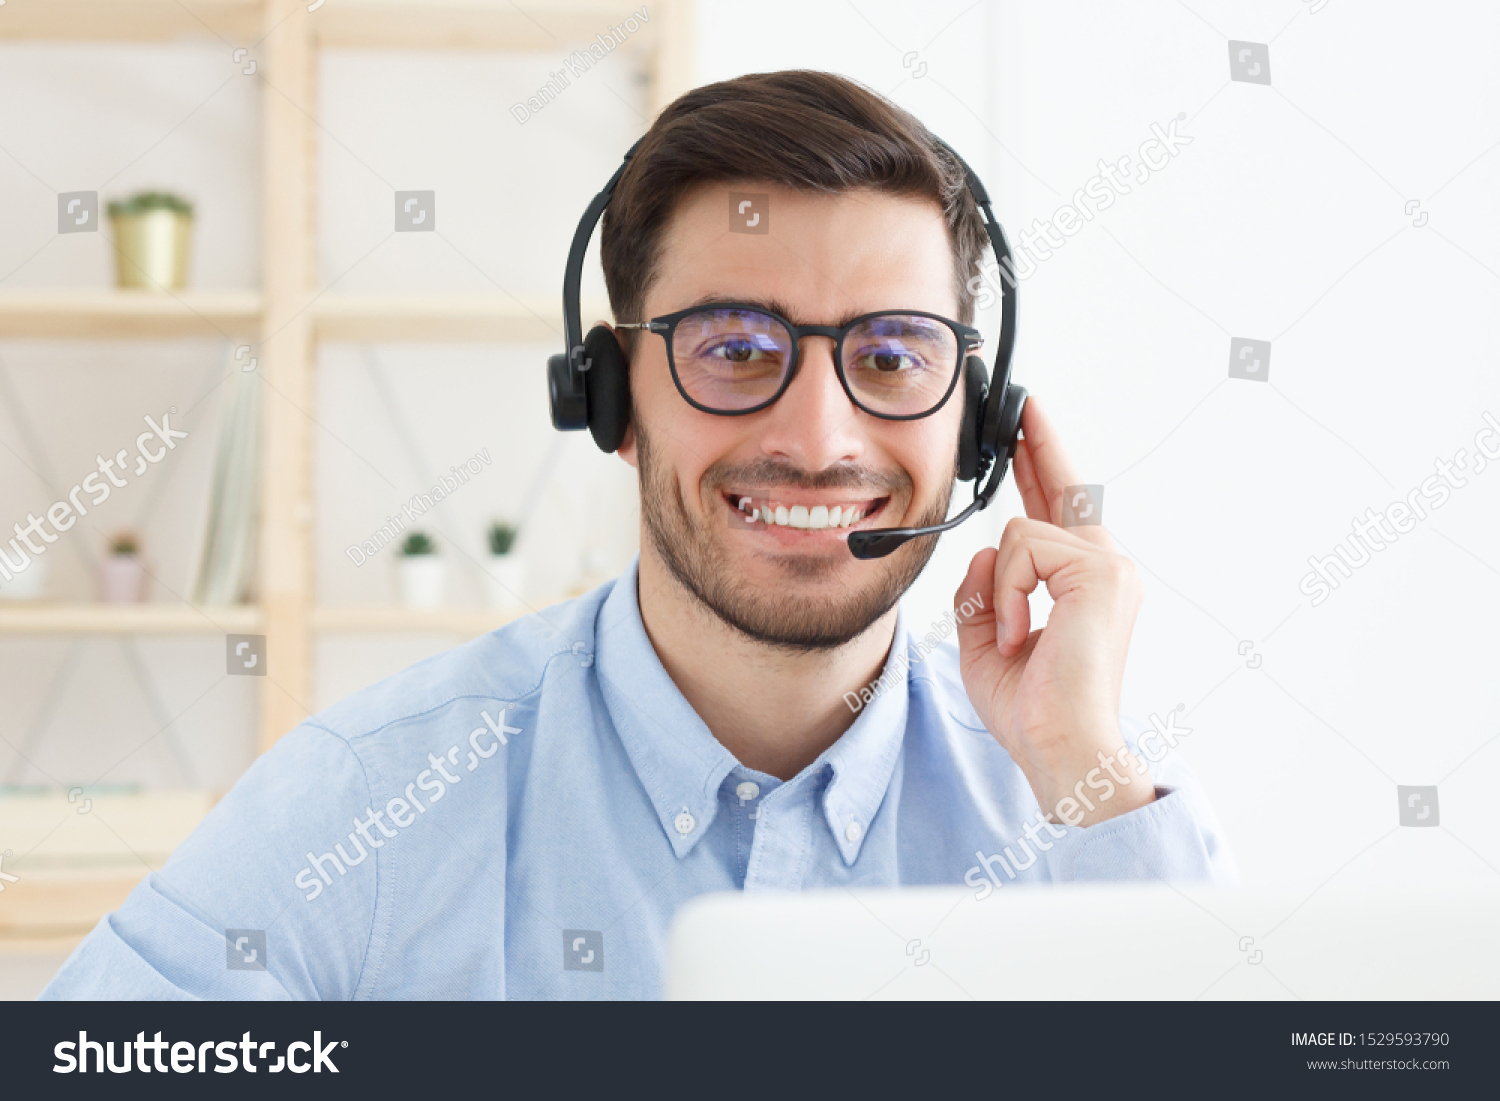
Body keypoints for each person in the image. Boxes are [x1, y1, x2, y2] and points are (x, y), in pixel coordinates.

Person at [43, 69, 1233, 1001]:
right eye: (733, 348)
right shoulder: (369, 804)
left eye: (889, 355)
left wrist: (1086, 768)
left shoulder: (1067, 809)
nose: (819, 437)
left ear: (975, 419)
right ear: (610, 397)